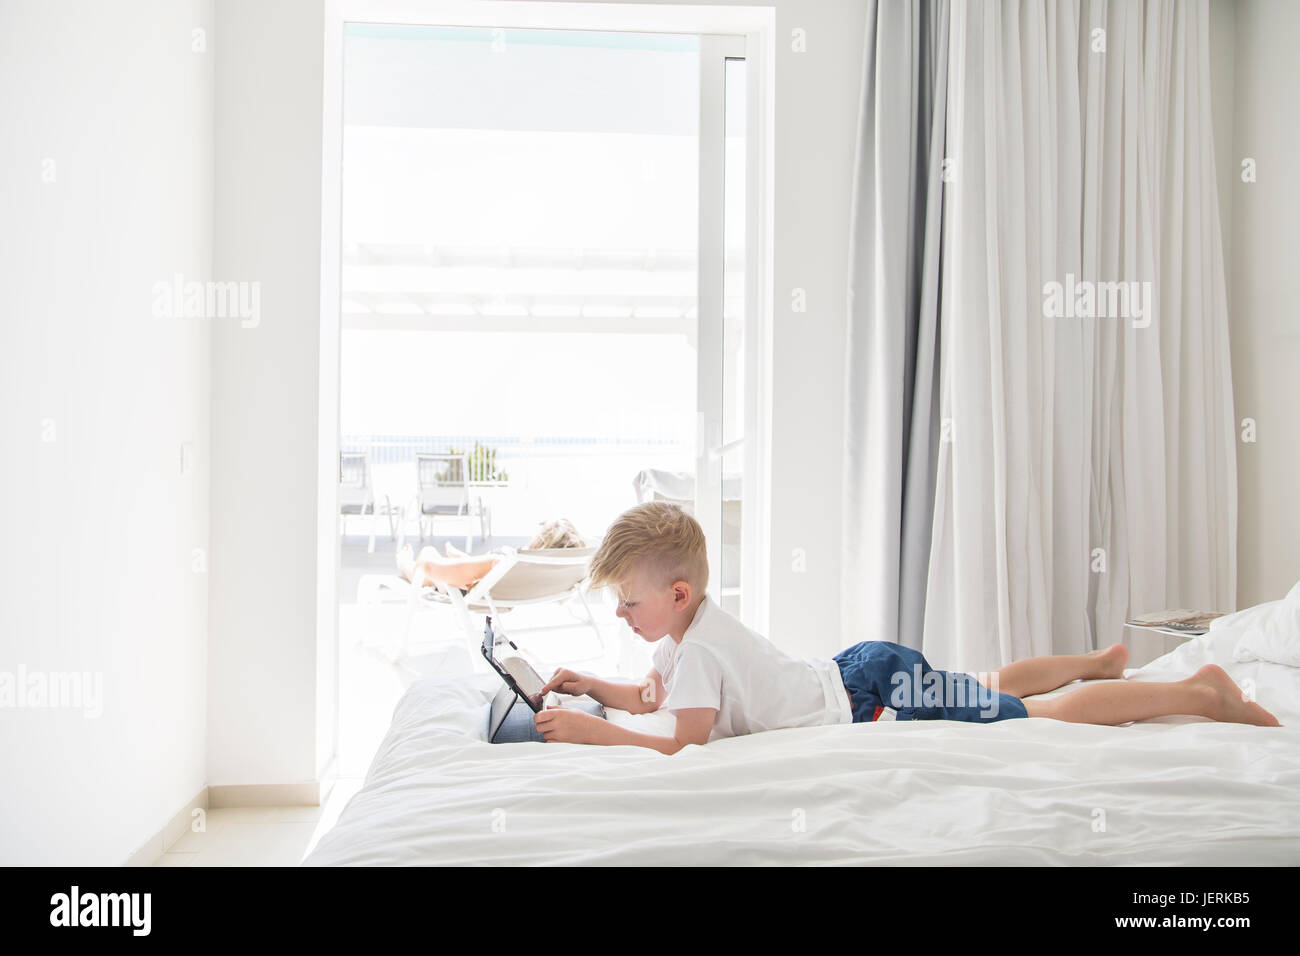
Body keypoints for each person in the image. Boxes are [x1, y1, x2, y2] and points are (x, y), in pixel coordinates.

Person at [534, 502, 1282, 752]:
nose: (621, 616)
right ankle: (1100, 660)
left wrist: (589, 728)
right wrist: (590, 687)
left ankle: (1201, 692)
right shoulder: (685, 635)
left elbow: (680, 740)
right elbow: (648, 698)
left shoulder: (694, 651)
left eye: (629, 604)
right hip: (862, 668)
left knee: (1024, 716)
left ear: (678, 591)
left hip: (868, 692)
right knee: (978, 685)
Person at [396, 517, 586, 592]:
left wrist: (413, 561)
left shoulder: (503, 561)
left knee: (428, 555)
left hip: (461, 589)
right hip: (494, 584)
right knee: (460, 563)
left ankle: (404, 565)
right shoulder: (546, 575)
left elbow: (429, 568)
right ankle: (464, 560)